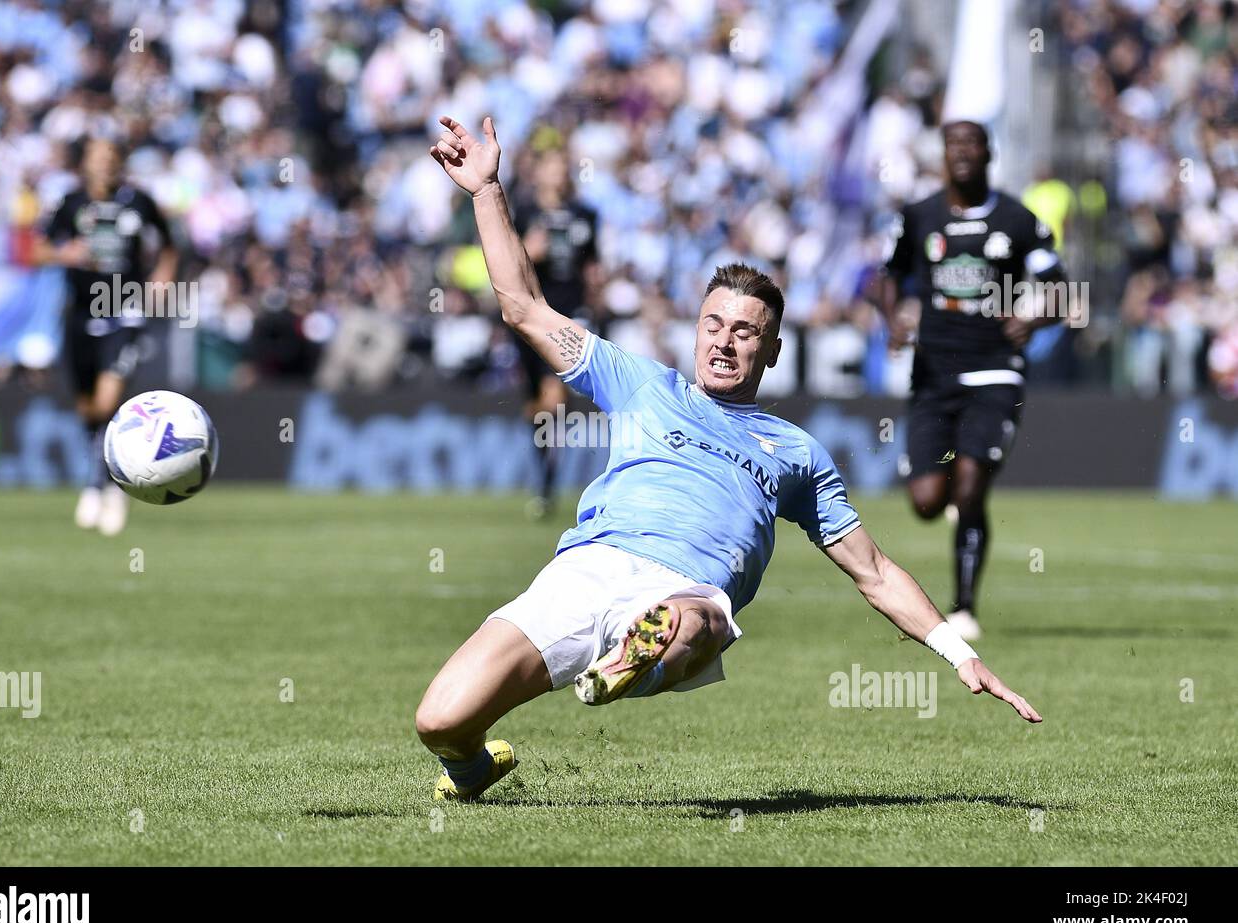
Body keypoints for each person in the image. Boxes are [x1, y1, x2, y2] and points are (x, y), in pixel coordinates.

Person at [419, 116, 1042, 803]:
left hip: (688, 591)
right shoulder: (640, 384)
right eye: (713, 325)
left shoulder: (798, 454)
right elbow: (525, 307)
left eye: (746, 332)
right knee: (438, 720)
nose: (724, 342)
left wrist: (959, 653)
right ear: (696, 331)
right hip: (588, 567)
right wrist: (485, 189)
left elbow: (874, 571)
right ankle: (475, 764)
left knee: (698, 618)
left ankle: (642, 653)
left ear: (771, 352)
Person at [875, 120, 1070, 641]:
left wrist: (1032, 317)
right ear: (943, 154)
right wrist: (893, 319)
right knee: (926, 501)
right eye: (953, 144)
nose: (962, 152)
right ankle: (952, 505)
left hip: (996, 370)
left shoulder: (1017, 218)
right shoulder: (919, 217)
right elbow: (887, 276)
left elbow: (1061, 288)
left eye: (972, 143)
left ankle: (963, 607)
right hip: (934, 373)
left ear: (989, 152)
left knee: (970, 482)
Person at [38, 137, 177, 535]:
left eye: (112, 157)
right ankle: (106, 478)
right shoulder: (71, 203)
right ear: (85, 164)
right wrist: (63, 254)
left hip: (124, 309)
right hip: (80, 314)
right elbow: (37, 250)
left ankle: (99, 485)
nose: (107, 165)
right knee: (88, 409)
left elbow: (167, 246)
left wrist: (162, 278)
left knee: (108, 400)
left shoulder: (139, 201)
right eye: (99, 158)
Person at [512, 148, 599, 518]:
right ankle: (544, 479)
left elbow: (594, 266)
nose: (559, 173)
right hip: (533, 314)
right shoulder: (525, 212)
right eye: (551, 166)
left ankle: (547, 485)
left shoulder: (586, 215)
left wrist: (596, 306)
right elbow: (510, 262)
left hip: (570, 316)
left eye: (563, 167)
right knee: (536, 407)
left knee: (553, 399)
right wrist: (530, 251)